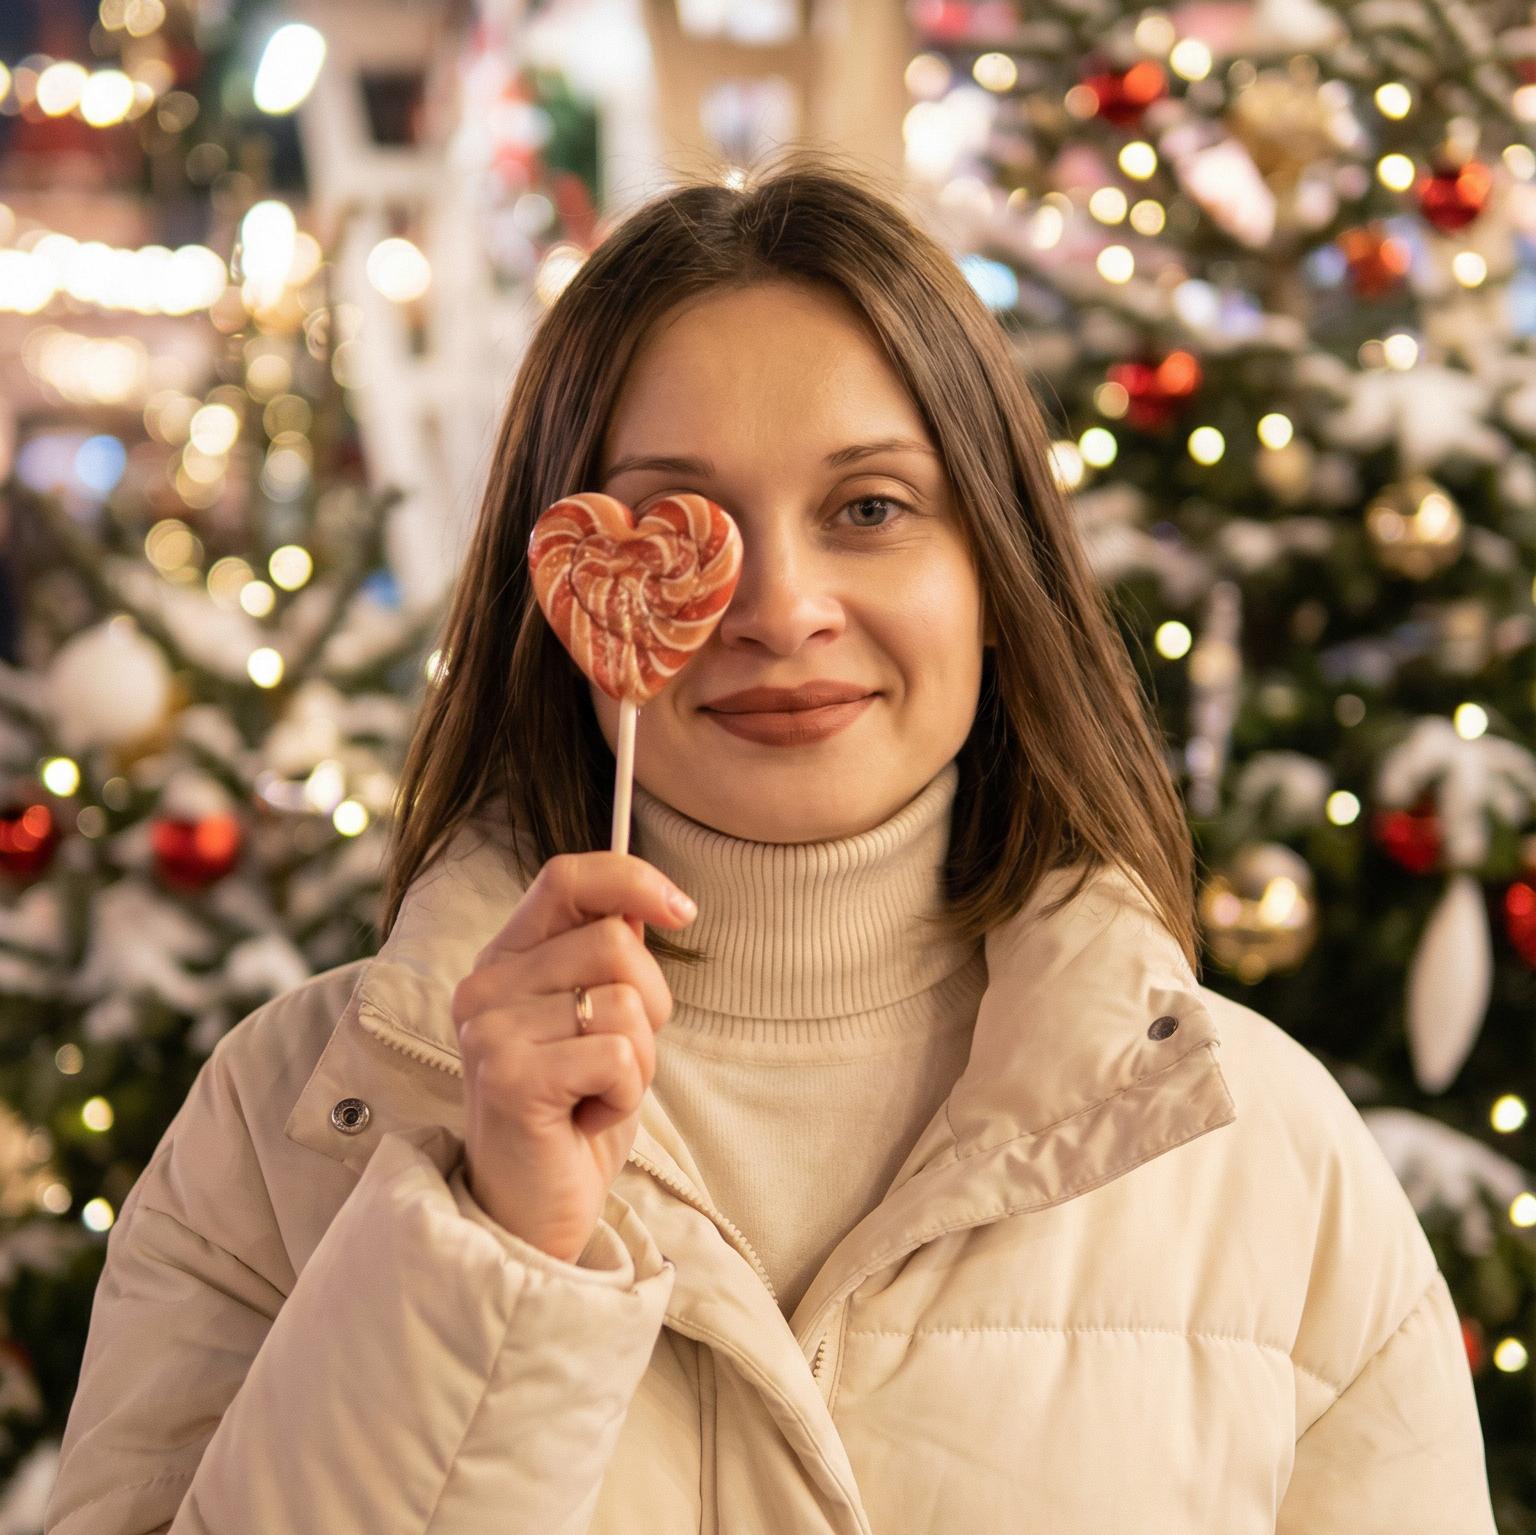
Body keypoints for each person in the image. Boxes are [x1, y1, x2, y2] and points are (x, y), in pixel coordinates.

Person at [44, 149, 1495, 1535]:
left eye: (871, 507)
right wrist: (487, 1249)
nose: (780, 606)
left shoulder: (1266, 1158)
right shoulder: (289, 1124)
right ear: (569, 593)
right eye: (683, 521)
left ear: (995, 562)